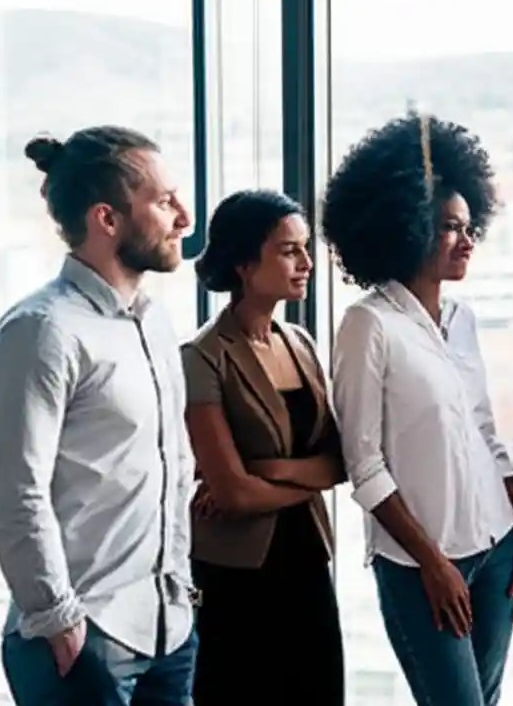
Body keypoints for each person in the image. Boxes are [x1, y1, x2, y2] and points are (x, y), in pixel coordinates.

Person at [323, 112, 513, 706]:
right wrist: (433, 564)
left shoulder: (462, 321)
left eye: (470, 226)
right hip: (421, 566)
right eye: (449, 227)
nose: (466, 240)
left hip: (495, 551)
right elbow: (363, 467)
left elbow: (486, 435)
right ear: (408, 226)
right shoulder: (368, 324)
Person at [0, 126, 198, 705]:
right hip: (83, 643)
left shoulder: (153, 320)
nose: (185, 217)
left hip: (167, 634)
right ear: (108, 219)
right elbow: (12, 493)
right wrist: (59, 621)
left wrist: (180, 595)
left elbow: (174, 462)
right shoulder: (41, 332)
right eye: (165, 201)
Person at [181, 189, 346, 704]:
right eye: (288, 250)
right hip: (236, 575)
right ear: (245, 265)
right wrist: (301, 477)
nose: (306, 262)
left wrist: (265, 470)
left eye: (305, 247)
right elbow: (232, 497)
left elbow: (342, 462)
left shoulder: (301, 343)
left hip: (308, 559)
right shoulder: (202, 356)